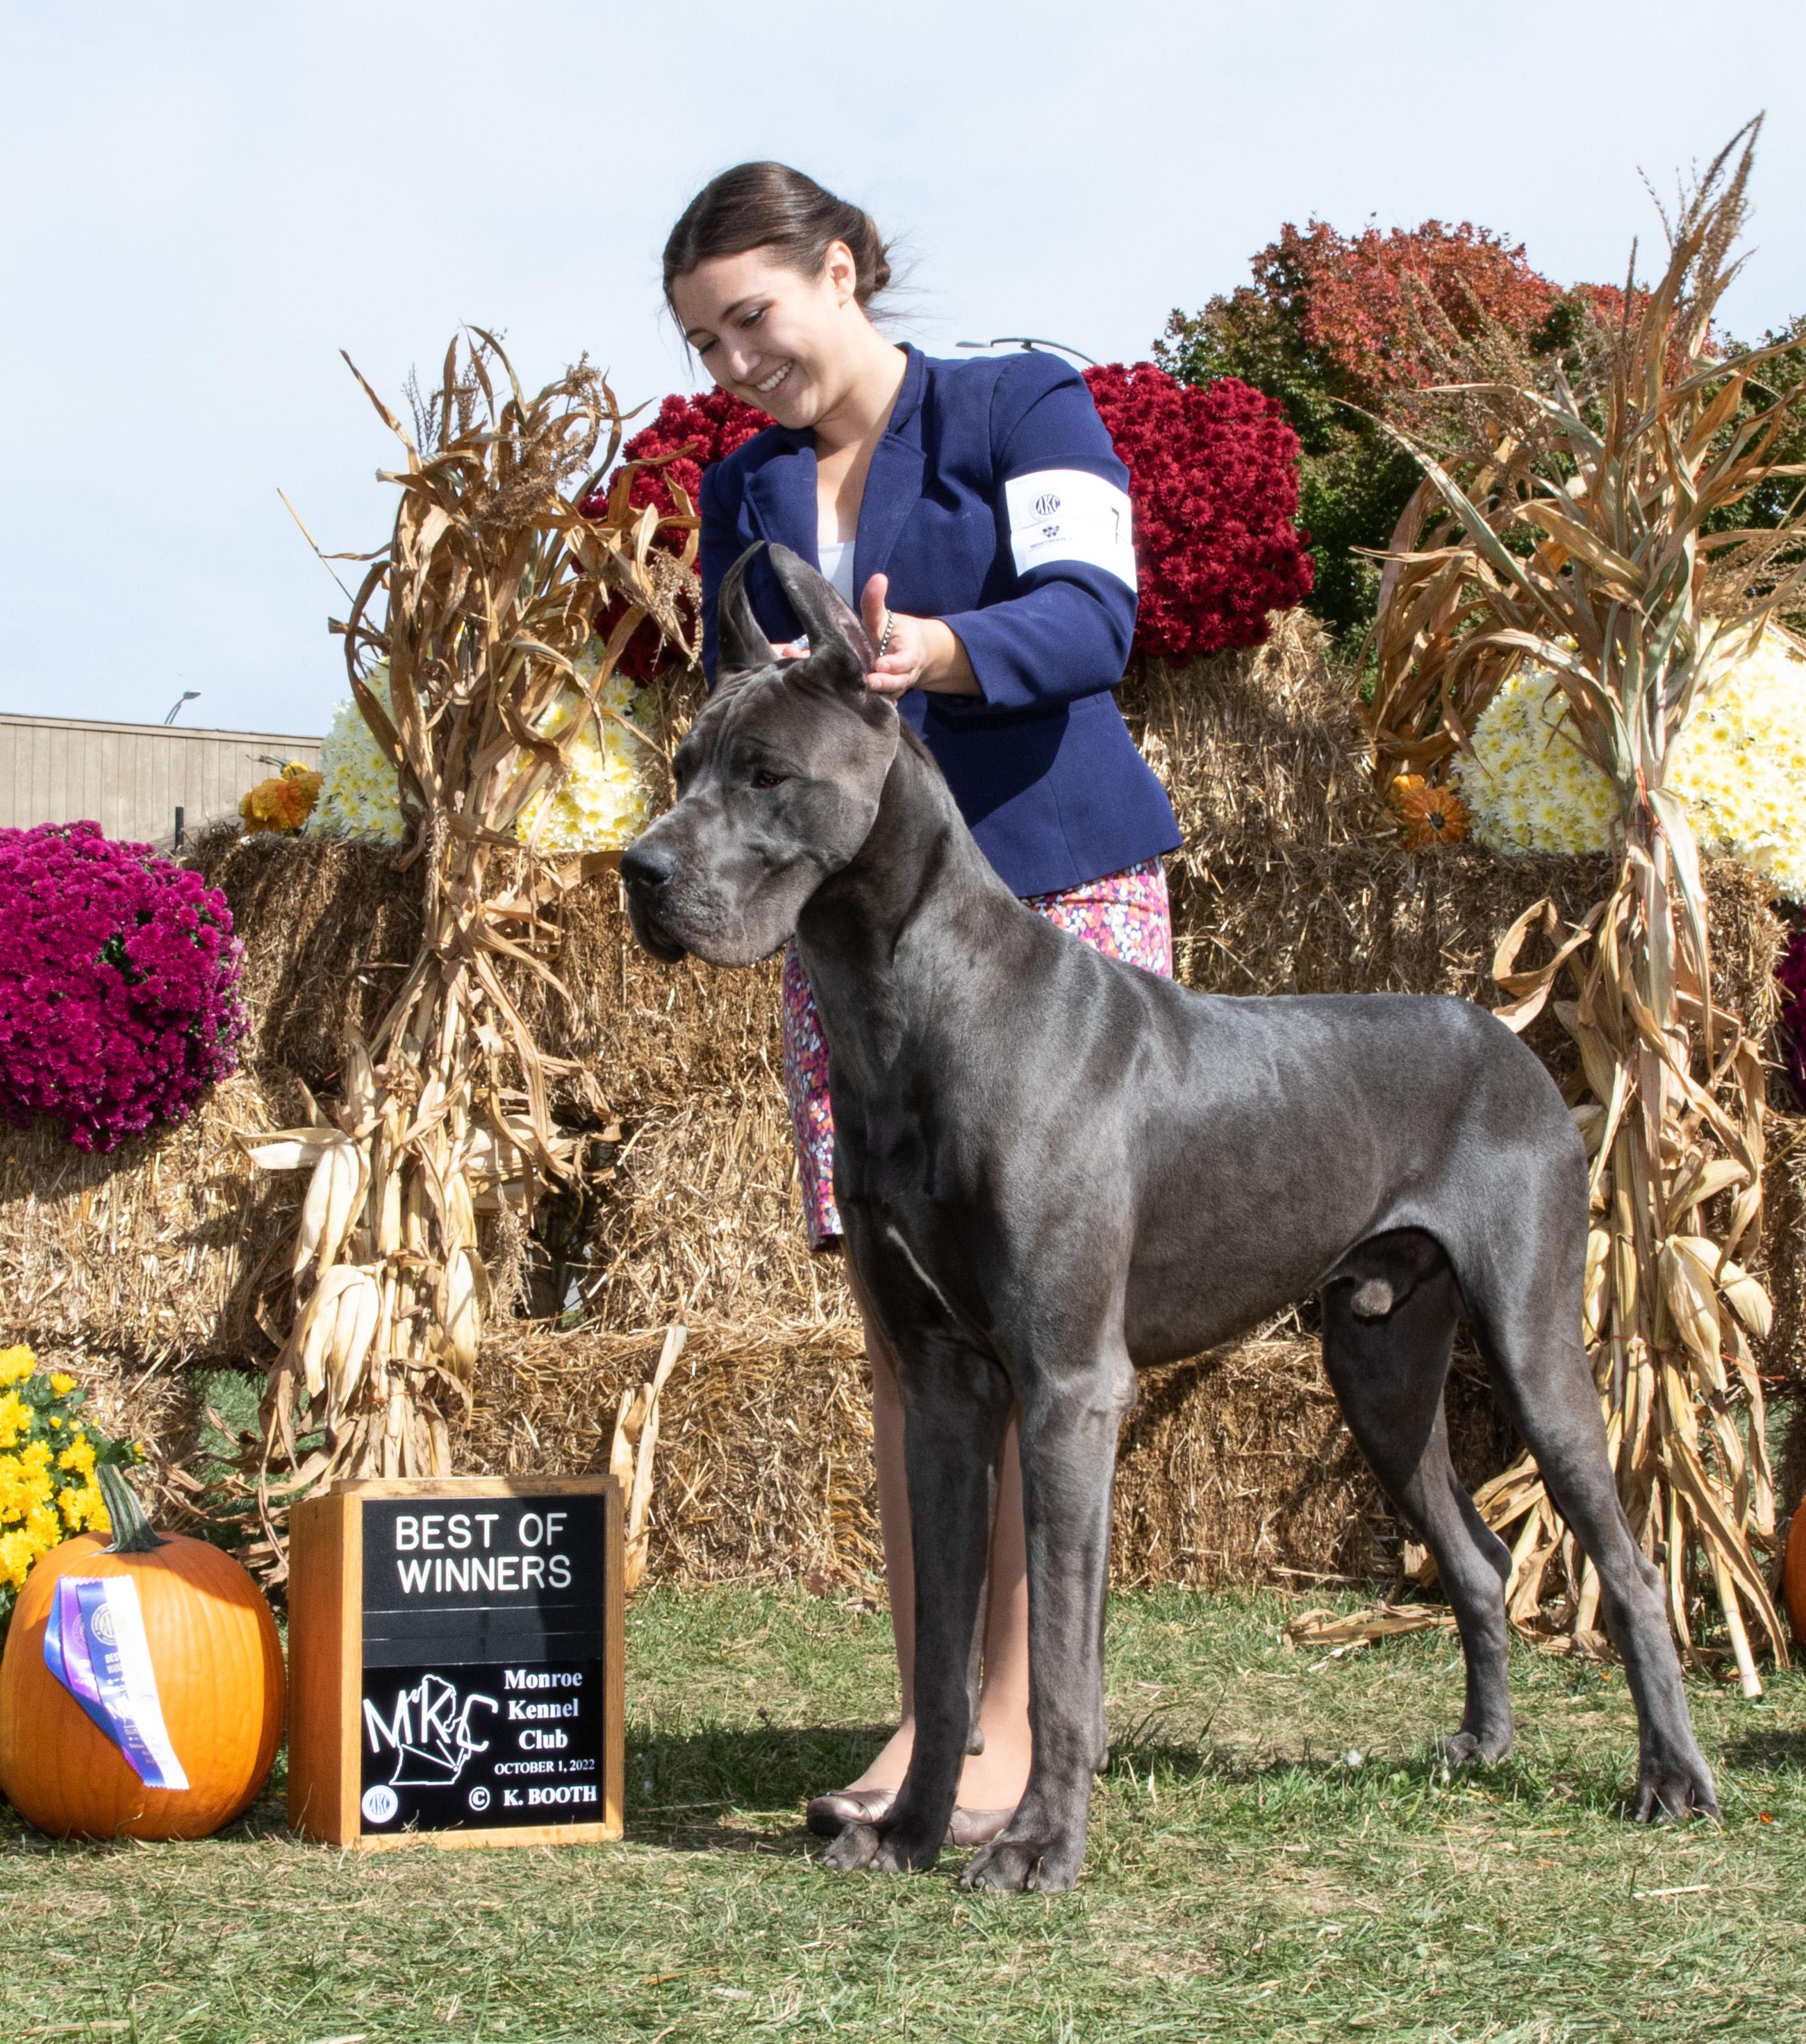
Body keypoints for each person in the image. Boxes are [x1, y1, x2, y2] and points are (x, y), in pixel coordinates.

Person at [664, 163, 1181, 1847]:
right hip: (859, 949)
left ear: (841, 269)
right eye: (703, 341)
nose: (736, 363)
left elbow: (1095, 616)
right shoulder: (744, 489)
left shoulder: (1014, 401)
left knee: (1037, 1334)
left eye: (753, 317)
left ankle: (1023, 1734)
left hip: (1049, 896)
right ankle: (931, 1719)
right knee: (907, 1337)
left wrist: (936, 654)